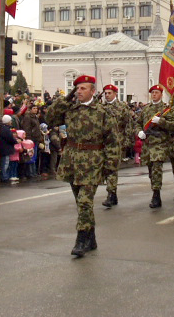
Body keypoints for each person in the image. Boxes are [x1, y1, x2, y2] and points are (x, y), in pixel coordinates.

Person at [45, 75, 118, 257]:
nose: (79, 91)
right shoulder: (71, 109)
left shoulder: (103, 112)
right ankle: (91, 237)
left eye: (83, 88)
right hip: (72, 160)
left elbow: (113, 140)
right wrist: (65, 98)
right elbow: (50, 118)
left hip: (93, 160)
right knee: (80, 202)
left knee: (85, 202)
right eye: (76, 88)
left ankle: (80, 239)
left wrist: (110, 165)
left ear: (93, 91)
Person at [100, 84, 132, 208]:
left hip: (117, 142)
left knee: (112, 168)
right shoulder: (101, 107)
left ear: (115, 93)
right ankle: (112, 193)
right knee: (106, 169)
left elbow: (128, 124)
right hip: (103, 143)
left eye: (109, 93)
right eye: (105, 93)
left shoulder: (122, 107)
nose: (107, 95)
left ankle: (111, 194)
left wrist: (127, 142)